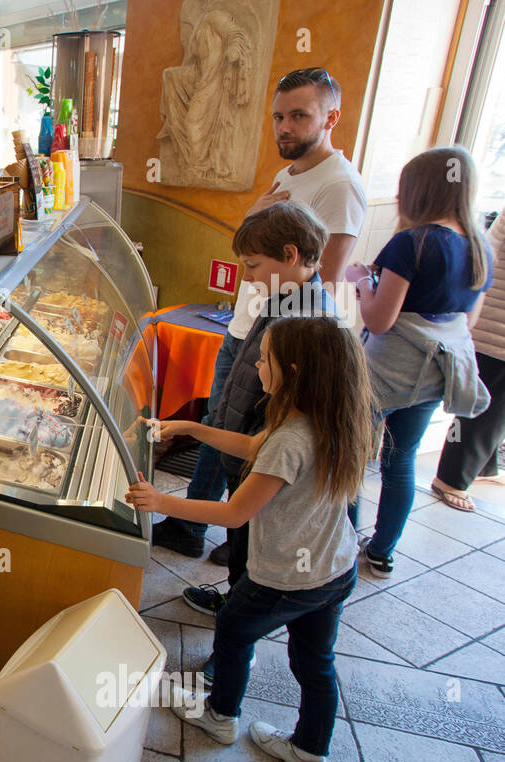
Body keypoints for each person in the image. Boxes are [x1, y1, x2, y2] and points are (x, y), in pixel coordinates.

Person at [127, 317, 377, 762]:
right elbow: (248, 446)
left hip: (284, 577)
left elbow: (236, 514)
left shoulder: (289, 437)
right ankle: (309, 753)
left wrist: (161, 502)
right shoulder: (331, 415)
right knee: (317, 664)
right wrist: (191, 428)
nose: (258, 364)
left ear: (294, 371)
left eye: (265, 359)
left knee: (235, 629)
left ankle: (221, 715)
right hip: (335, 568)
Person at [152, 67, 366, 564]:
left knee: (257, 451)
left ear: (330, 117)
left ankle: (242, 543)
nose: (284, 127)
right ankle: (193, 524)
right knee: (222, 427)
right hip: (250, 330)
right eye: (277, 117)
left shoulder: (339, 183)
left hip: (278, 342)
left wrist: (274, 343)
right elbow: (256, 236)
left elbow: (324, 279)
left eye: (298, 116)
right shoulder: (288, 174)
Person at [172, 201, 336, 630]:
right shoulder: (283, 295)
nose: (247, 277)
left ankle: (237, 620)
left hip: (262, 455)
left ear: (290, 255)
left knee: (251, 551)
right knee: (241, 548)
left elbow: (284, 411)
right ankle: (234, 594)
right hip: (247, 446)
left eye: (253, 265)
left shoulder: (305, 323)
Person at [347, 146, 492, 577]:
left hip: (385, 370)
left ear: (416, 191)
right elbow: (466, 322)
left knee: (351, 454)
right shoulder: (479, 246)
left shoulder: (411, 243)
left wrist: (361, 282)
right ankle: (383, 549)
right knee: (401, 459)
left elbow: (379, 318)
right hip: (433, 374)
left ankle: (341, 539)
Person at [431, 207, 505, 511]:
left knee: (492, 405)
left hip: (491, 316)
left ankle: (482, 467)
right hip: (497, 324)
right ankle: (451, 478)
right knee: (486, 403)